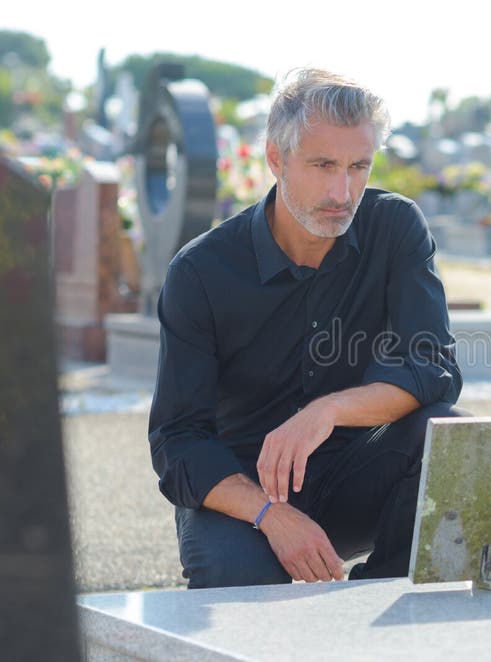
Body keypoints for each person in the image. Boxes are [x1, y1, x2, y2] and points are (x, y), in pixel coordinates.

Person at [148, 69, 464, 589]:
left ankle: (376, 606)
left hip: (354, 477)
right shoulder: (199, 273)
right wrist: (271, 515)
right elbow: (178, 441)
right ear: (277, 159)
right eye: (322, 165)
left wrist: (329, 410)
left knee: (449, 435)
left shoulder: (396, 227)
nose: (342, 191)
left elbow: (432, 367)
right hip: (242, 494)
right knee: (237, 590)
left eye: (358, 166)